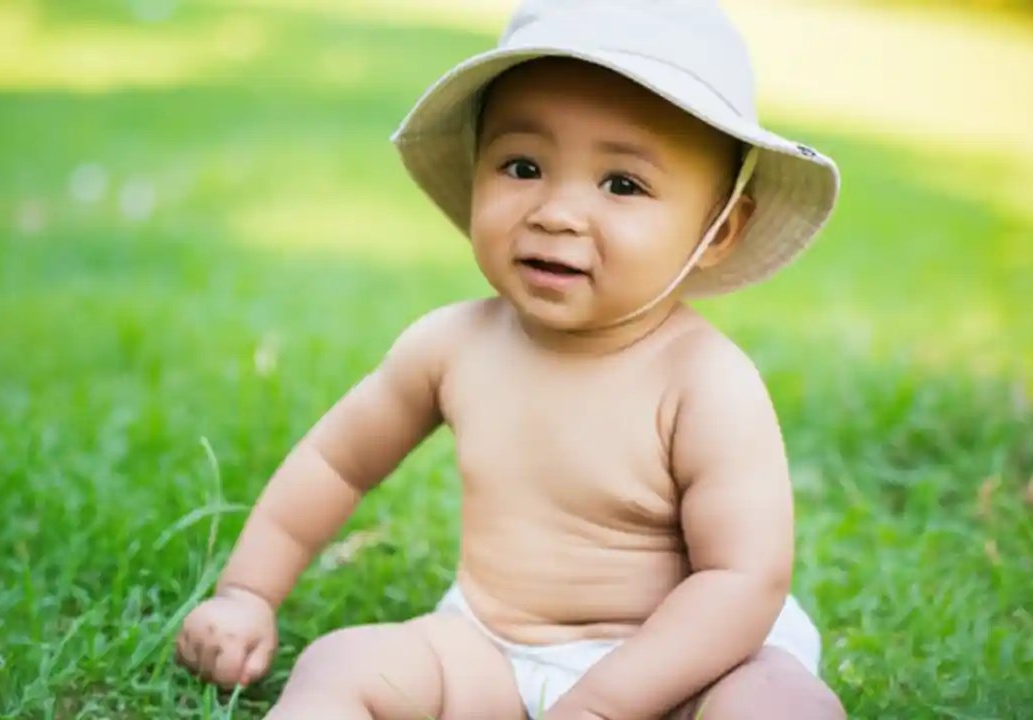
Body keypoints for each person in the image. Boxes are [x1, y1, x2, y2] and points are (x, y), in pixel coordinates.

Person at [176, 1, 846, 717]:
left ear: (719, 230)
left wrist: (602, 705)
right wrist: (246, 593)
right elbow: (336, 463)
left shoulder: (705, 383)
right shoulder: (452, 345)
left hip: (680, 669)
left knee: (778, 701)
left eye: (622, 183)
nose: (555, 212)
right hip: (491, 648)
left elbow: (741, 580)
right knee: (342, 663)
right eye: (522, 166)